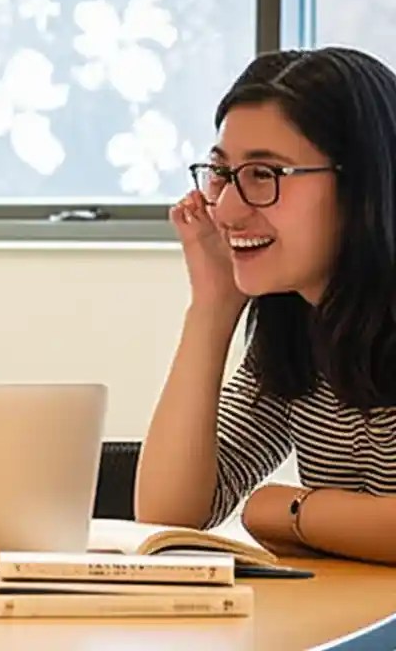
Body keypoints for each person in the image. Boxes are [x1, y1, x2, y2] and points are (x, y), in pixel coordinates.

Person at [136, 46, 396, 565]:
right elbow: (168, 517)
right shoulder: (298, 328)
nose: (228, 210)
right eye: (221, 174)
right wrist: (212, 306)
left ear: (362, 183)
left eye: (263, 175)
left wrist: (282, 510)